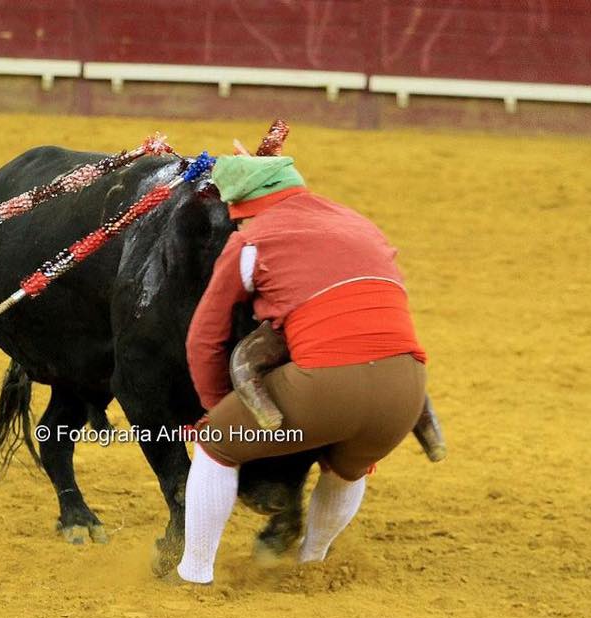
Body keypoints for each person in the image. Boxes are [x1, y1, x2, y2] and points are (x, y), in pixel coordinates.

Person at [175, 155, 429, 584]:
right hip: (407, 390)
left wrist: (218, 410)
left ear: (244, 208)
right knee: (349, 466)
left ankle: (194, 574)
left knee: (216, 444)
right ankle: (313, 564)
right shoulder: (362, 225)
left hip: (324, 388)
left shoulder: (250, 243)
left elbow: (204, 338)